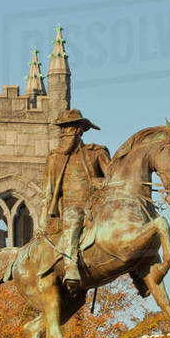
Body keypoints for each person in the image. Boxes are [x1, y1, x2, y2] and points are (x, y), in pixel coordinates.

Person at [39, 108, 111, 290]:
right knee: (72, 216)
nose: (64, 133)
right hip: (70, 211)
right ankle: (70, 266)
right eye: (62, 129)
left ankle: (138, 271)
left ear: (79, 130)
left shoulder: (96, 153)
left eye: (68, 128)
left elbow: (114, 180)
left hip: (95, 209)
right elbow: (47, 192)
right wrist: (43, 220)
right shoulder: (55, 158)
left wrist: (99, 182)